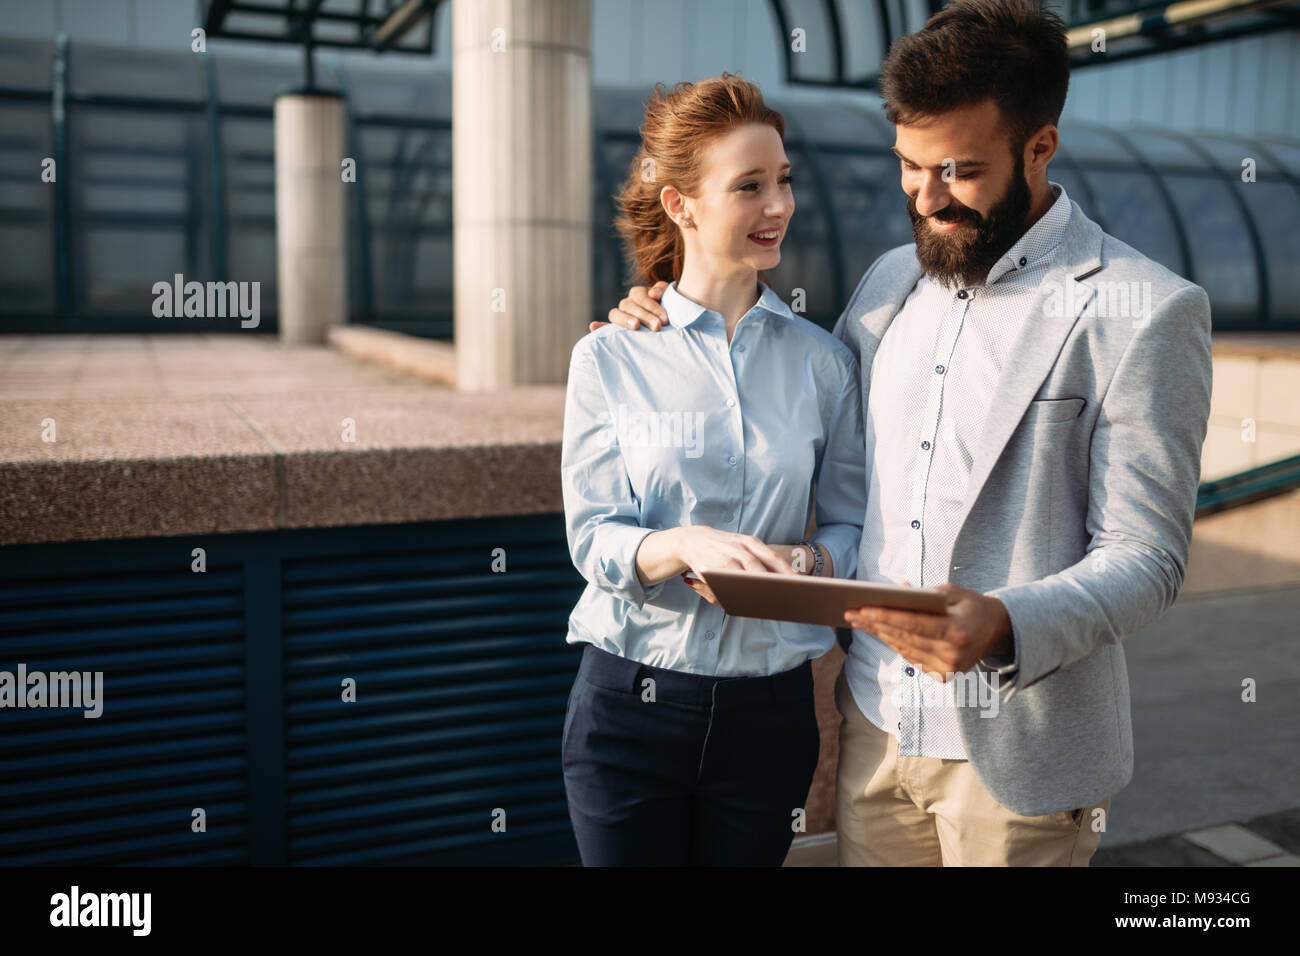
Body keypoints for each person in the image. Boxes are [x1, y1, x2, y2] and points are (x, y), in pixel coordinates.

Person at [597, 0, 1213, 866]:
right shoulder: (890, 285)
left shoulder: (1144, 311)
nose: (924, 199)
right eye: (908, 167)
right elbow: (786, 404)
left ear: (1040, 148)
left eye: (957, 171)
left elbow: (1149, 557)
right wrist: (656, 299)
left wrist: (1003, 623)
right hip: (875, 735)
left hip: (1018, 757)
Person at [560, 73, 868, 866]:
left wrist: (810, 563)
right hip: (628, 704)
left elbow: (852, 522)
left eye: (785, 181)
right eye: (750, 186)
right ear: (680, 204)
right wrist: (682, 544)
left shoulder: (824, 364)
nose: (779, 206)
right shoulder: (610, 355)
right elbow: (593, 537)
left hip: (768, 717)